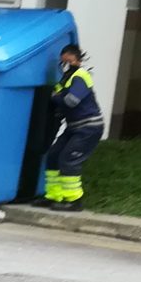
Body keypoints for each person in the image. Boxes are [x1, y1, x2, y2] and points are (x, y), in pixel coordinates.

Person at [44, 43, 104, 211]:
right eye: (63, 62)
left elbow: (71, 101)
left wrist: (56, 97)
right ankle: (54, 196)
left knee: (69, 159)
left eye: (69, 61)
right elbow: (59, 100)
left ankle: (74, 201)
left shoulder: (81, 76)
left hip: (89, 127)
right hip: (74, 127)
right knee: (53, 157)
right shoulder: (64, 79)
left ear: (77, 59)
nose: (66, 65)